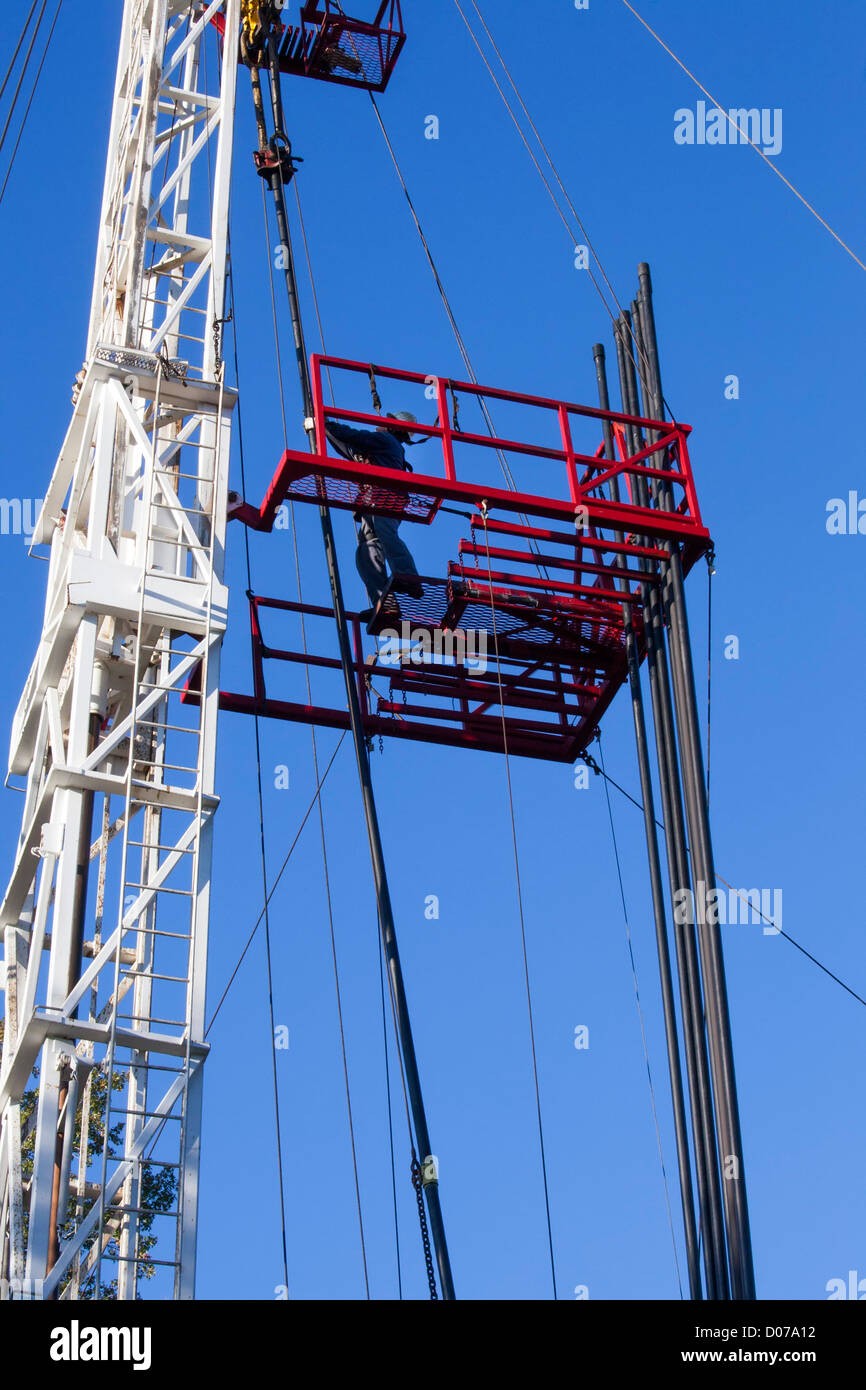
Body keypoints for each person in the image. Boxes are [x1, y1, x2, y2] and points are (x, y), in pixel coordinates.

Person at [325, 411, 424, 621]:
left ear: (392, 427)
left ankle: (408, 577)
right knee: (366, 549)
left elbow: (354, 436)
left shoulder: (385, 440)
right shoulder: (382, 446)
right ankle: (384, 603)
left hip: (386, 497)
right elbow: (347, 446)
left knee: (384, 532)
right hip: (375, 500)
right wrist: (325, 427)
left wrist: (326, 423)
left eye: (384, 422)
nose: (378, 425)